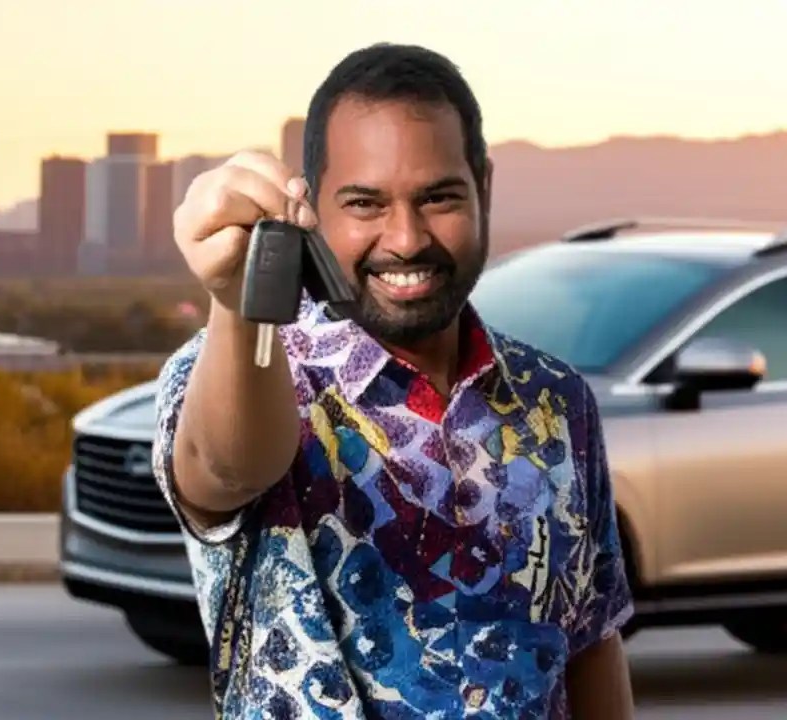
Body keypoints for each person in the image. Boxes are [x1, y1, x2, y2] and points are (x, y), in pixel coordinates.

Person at [153, 42, 635, 719]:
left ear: (483, 187)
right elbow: (224, 466)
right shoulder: (252, 366)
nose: (405, 239)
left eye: (438, 197)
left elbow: (589, 640)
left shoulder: (557, 401)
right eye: (365, 203)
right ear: (310, 206)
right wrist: (236, 299)